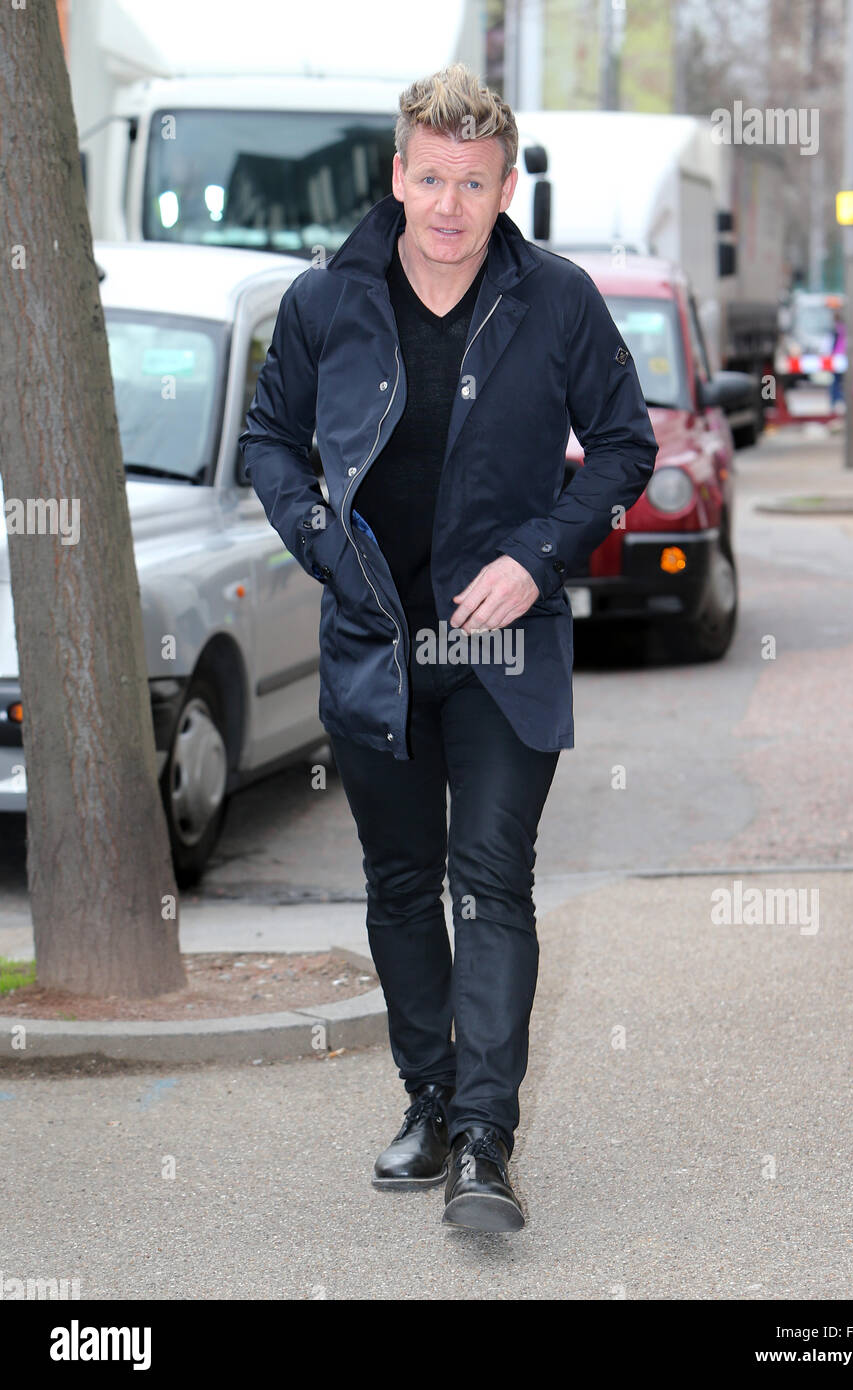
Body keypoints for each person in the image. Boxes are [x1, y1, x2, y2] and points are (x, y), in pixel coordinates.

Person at [238, 64, 657, 1231]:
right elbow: (270, 439)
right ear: (397, 173)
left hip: (505, 650)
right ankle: (426, 1098)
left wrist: (538, 554)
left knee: (491, 879)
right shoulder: (326, 300)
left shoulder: (557, 299)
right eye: (430, 178)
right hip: (374, 639)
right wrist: (322, 541)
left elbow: (625, 446)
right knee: (400, 883)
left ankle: (484, 1138)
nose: (448, 206)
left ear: (502, 183)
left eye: (472, 183)